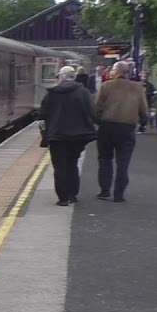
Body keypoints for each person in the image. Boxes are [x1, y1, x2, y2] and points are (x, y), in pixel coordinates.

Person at [39, 65, 98, 206]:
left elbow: (41, 114)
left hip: (57, 135)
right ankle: (73, 194)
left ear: (61, 77)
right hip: (78, 136)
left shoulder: (51, 93)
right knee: (72, 163)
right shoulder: (84, 92)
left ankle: (63, 198)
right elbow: (92, 113)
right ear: (73, 76)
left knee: (59, 166)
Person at [93, 60, 150, 202]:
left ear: (117, 71)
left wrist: (98, 122)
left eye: (112, 69)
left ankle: (105, 191)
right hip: (127, 129)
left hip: (107, 127)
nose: (111, 72)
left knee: (105, 159)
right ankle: (119, 194)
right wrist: (143, 123)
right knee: (123, 162)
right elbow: (144, 110)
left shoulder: (106, 86)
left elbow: (97, 108)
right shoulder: (137, 88)